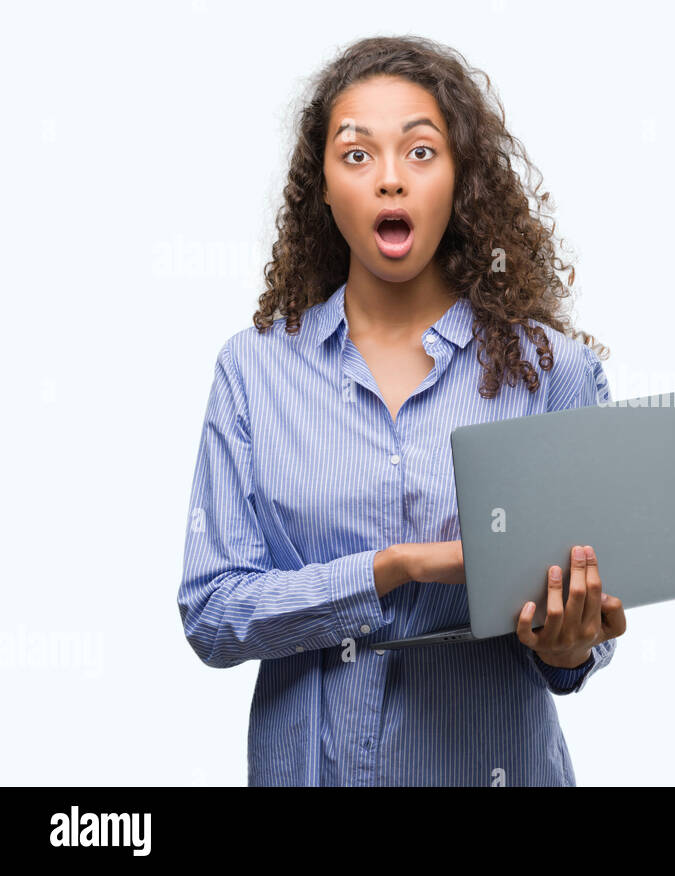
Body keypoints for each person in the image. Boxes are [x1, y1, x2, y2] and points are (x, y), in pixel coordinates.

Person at [177, 35, 627, 787]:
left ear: (461, 179)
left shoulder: (554, 371)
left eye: (421, 153)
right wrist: (392, 569)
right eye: (356, 155)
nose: (390, 180)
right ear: (321, 185)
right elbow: (214, 613)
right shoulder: (253, 371)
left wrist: (567, 645)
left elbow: (580, 640)